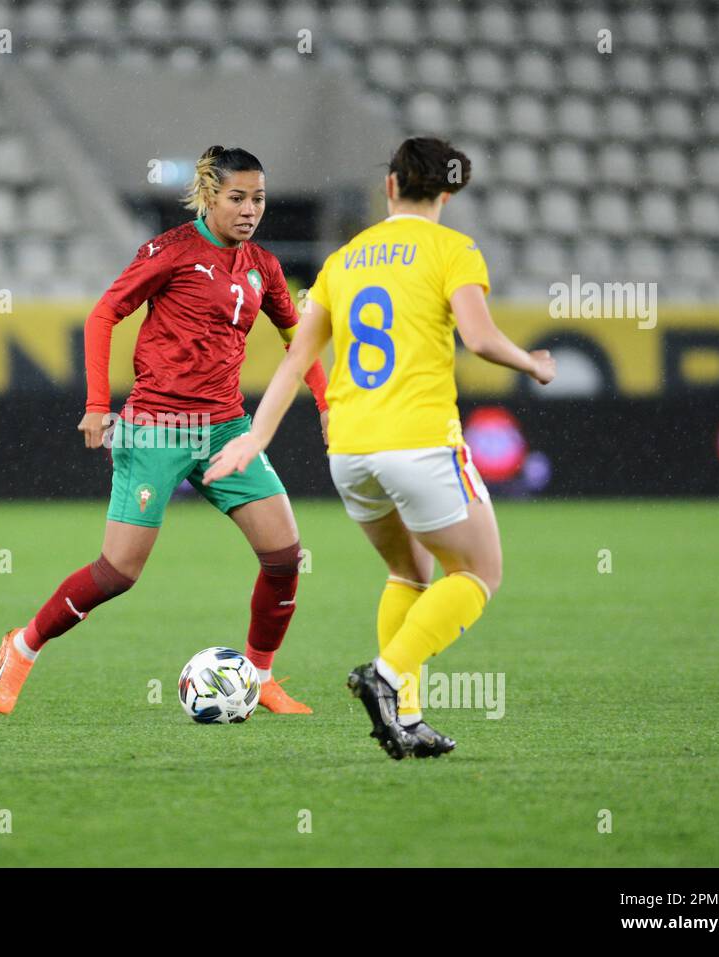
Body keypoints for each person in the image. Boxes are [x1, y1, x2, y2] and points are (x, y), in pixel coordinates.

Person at [205, 137, 556, 759]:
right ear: (445, 194)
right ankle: (387, 675)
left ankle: (408, 718)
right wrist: (532, 363)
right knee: (476, 573)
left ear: (389, 188)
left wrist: (256, 436)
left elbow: (296, 359)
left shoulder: (344, 260)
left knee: (406, 571)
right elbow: (477, 337)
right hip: (419, 441)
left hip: (350, 449)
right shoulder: (454, 250)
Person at [0, 146, 330, 716]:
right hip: (155, 428)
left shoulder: (263, 267)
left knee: (284, 556)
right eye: (237, 198)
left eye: (259, 199)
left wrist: (326, 400)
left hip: (226, 429)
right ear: (209, 196)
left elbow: (299, 337)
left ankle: (259, 677)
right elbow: (103, 315)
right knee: (118, 572)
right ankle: (22, 647)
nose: (250, 210)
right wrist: (99, 404)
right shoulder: (170, 251)